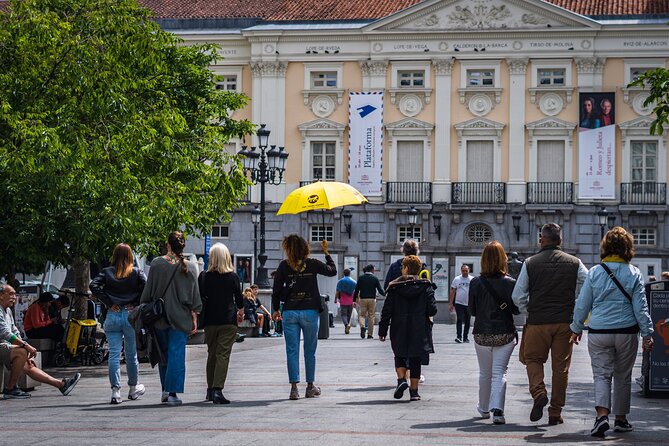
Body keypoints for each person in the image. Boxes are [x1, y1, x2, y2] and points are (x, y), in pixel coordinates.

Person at [570, 227, 654, 437]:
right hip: (626, 332)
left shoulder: (595, 272)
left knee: (601, 375)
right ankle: (621, 419)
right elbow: (641, 308)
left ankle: (601, 417)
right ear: (628, 248)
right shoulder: (634, 273)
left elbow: (583, 303)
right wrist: (647, 333)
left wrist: (576, 327)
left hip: (599, 332)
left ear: (605, 247)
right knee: (623, 377)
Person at [512, 223, 588, 424]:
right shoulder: (575, 262)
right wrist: (577, 310)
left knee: (533, 359)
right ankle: (555, 412)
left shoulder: (530, 263)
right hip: (564, 322)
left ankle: (538, 392)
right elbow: (590, 285)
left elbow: (517, 295)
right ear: (560, 241)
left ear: (541, 240)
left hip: (538, 322)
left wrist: (529, 309)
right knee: (560, 368)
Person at [271, 235, 336, 401]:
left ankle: (294, 388)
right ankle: (309, 386)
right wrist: (326, 252)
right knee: (310, 351)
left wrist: (275, 309)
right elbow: (332, 271)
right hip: (309, 312)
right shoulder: (312, 263)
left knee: (292, 351)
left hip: (290, 312)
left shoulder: (284, 266)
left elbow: (276, 290)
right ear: (304, 248)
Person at [141, 231, 202, 406]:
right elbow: (194, 297)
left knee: (163, 354)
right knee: (177, 354)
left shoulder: (157, 264)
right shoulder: (190, 267)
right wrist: (194, 317)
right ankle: (172, 392)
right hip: (181, 316)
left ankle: (165, 391)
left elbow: (148, 291)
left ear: (168, 245)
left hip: (159, 315)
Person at [469, 241, 519, 425]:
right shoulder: (510, 283)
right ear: (503, 259)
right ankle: (498, 410)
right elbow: (515, 309)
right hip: (505, 333)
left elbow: (472, 311)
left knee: (485, 373)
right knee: (500, 373)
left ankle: (483, 408)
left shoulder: (475, 282)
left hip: (482, 333)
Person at [90, 243, 147, 405]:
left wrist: (108, 302)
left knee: (114, 354)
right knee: (131, 354)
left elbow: (93, 285)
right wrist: (135, 302)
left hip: (112, 315)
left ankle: (116, 391)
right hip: (130, 316)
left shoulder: (107, 272)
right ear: (130, 256)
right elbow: (147, 287)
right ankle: (133, 387)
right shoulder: (136, 272)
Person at [0, 284, 80, 399]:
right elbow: (5, 333)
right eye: (11, 294)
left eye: (14, 294)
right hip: (3, 344)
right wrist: (26, 347)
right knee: (22, 352)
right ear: (1, 295)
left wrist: (26, 350)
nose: (14, 297)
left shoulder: (7, 311)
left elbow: (14, 331)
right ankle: (10, 389)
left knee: (28, 364)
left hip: (7, 346)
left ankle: (61, 385)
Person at [378, 255, 437, 402]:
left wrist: (382, 331)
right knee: (416, 358)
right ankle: (414, 392)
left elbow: (386, 311)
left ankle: (401, 380)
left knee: (399, 354)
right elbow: (432, 310)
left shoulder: (394, 287)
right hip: (419, 327)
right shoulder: (426, 286)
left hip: (399, 326)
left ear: (405, 268)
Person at [199, 242, 244, 404]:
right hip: (227, 320)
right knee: (223, 354)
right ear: (226, 257)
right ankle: (218, 390)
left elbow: (200, 297)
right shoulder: (232, 277)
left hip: (210, 321)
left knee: (211, 354)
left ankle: (210, 390)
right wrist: (241, 311)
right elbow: (239, 300)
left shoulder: (204, 276)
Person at [354, 264, 385, 339]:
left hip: (363, 299)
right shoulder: (375, 278)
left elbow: (357, 289)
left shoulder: (361, 278)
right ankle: (370, 334)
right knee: (371, 316)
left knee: (362, 315)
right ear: (371, 270)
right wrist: (385, 294)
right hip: (372, 299)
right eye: (374, 269)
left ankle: (362, 326)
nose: (374, 270)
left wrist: (354, 299)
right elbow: (380, 290)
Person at [450, 264, 472, 343]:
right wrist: (451, 303)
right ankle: (459, 336)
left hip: (468, 303)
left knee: (467, 321)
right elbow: (452, 291)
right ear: (461, 271)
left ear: (469, 270)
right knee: (459, 319)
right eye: (463, 271)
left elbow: (475, 292)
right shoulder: (457, 279)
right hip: (459, 303)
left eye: (466, 271)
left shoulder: (472, 279)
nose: (465, 272)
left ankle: (465, 337)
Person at [335, 269, 356, 334]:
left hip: (343, 300)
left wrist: (335, 299)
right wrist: (356, 300)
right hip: (351, 300)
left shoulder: (340, 281)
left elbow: (337, 291)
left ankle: (346, 325)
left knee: (343, 315)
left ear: (344, 273)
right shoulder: (354, 281)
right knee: (349, 315)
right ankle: (347, 328)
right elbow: (357, 292)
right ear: (350, 273)